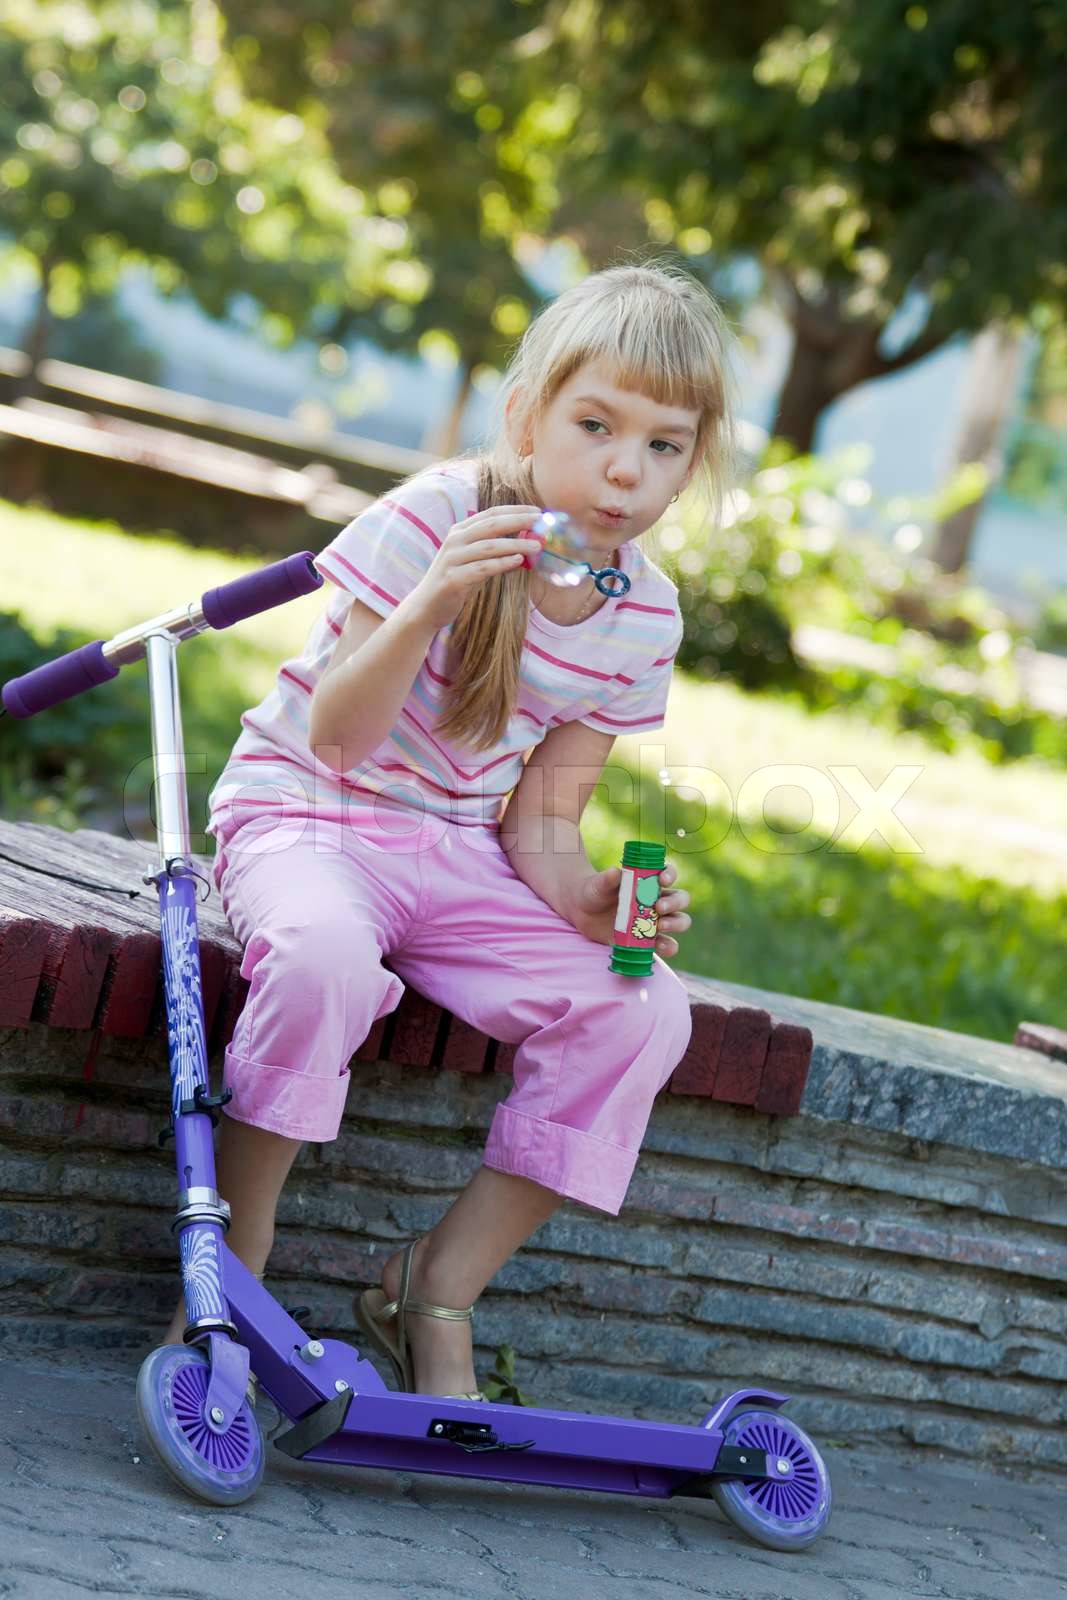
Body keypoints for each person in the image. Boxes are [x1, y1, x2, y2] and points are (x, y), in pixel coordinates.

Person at [164, 261, 739, 1402]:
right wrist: (431, 594)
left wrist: (586, 901)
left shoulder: (644, 615)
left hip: (458, 851)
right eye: (594, 425)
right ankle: (228, 1266)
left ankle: (433, 1289)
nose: (625, 469)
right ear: (528, 416)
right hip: (307, 814)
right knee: (322, 955)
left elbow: (542, 820)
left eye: (665, 446)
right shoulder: (435, 512)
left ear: (693, 460)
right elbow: (333, 739)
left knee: (637, 1010)